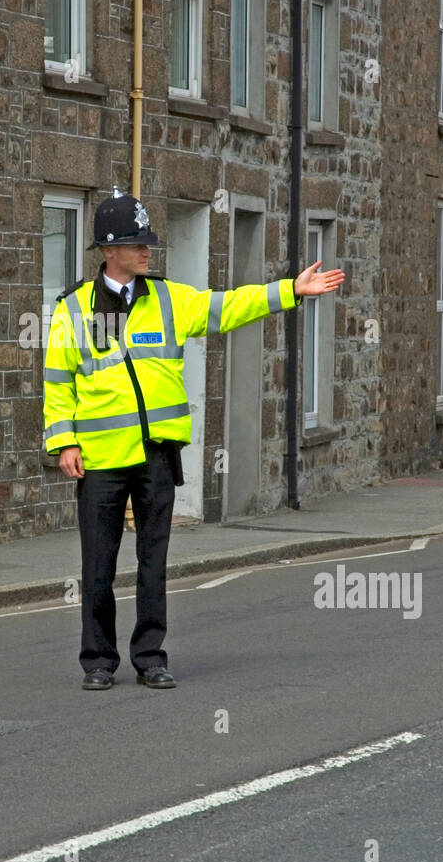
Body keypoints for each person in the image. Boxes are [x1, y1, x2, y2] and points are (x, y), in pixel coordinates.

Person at [43, 190, 345, 690]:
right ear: (109, 249)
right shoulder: (73, 308)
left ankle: (151, 658)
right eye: (137, 243)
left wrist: (291, 290)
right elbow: (58, 381)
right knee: (97, 565)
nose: (147, 252)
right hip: (99, 459)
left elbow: (228, 308)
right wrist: (64, 443)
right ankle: (98, 661)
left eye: (148, 243)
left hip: (157, 456)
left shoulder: (168, 298)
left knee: (153, 563)